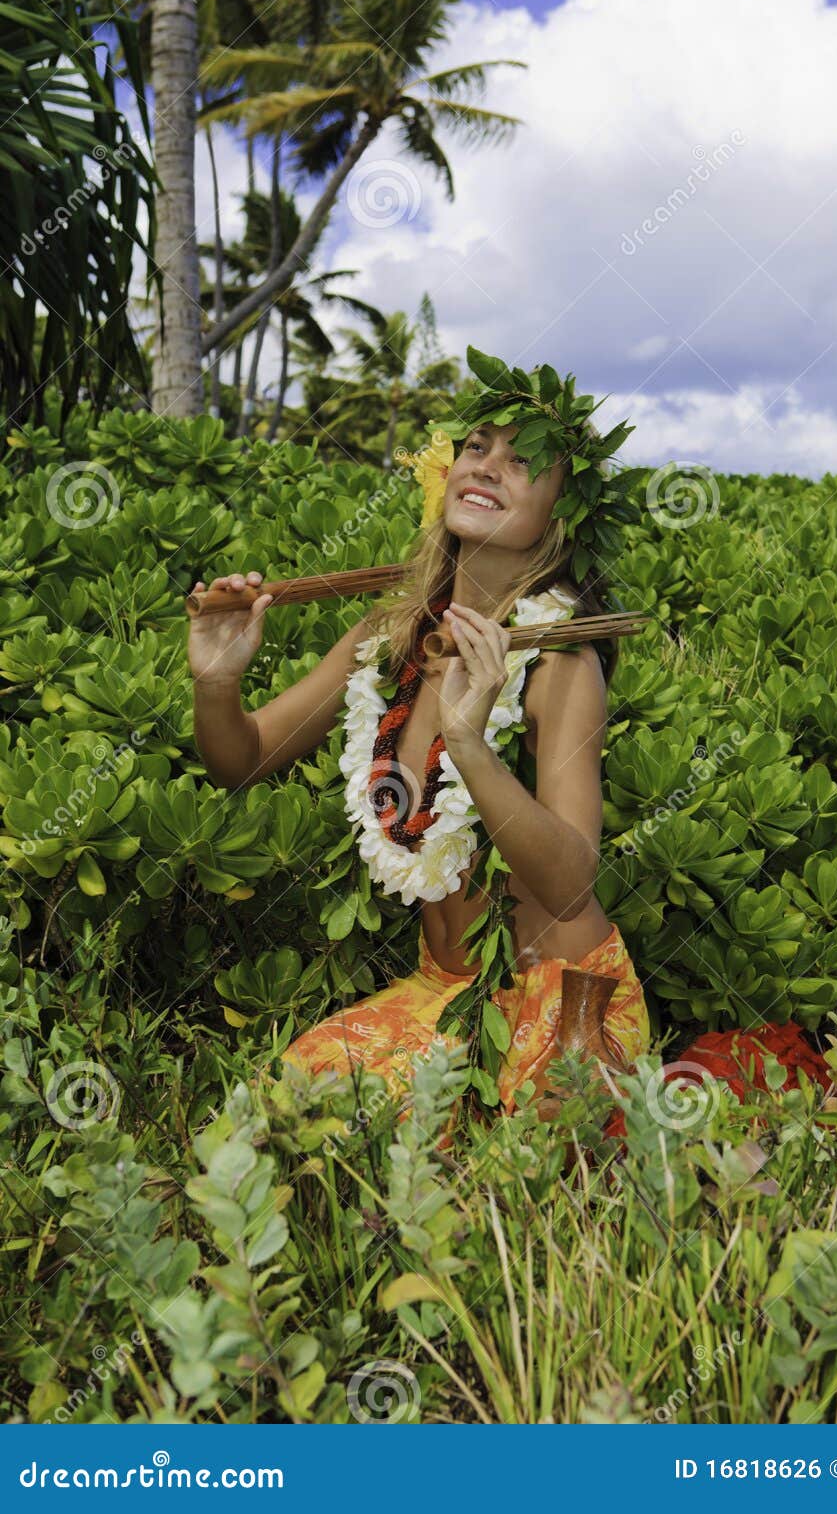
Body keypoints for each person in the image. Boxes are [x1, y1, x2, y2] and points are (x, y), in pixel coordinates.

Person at [187, 347, 650, 1123]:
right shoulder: (385, 636)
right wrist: (217, 680)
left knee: (460, 1147)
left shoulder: (560, 660)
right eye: (476, 447)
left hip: (560, 999)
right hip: (444, 990)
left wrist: (469, 744)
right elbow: (240, 762)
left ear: (564, 517)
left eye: (521, 460)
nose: (488, 465)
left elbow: (571, 884)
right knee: (289, 1107)